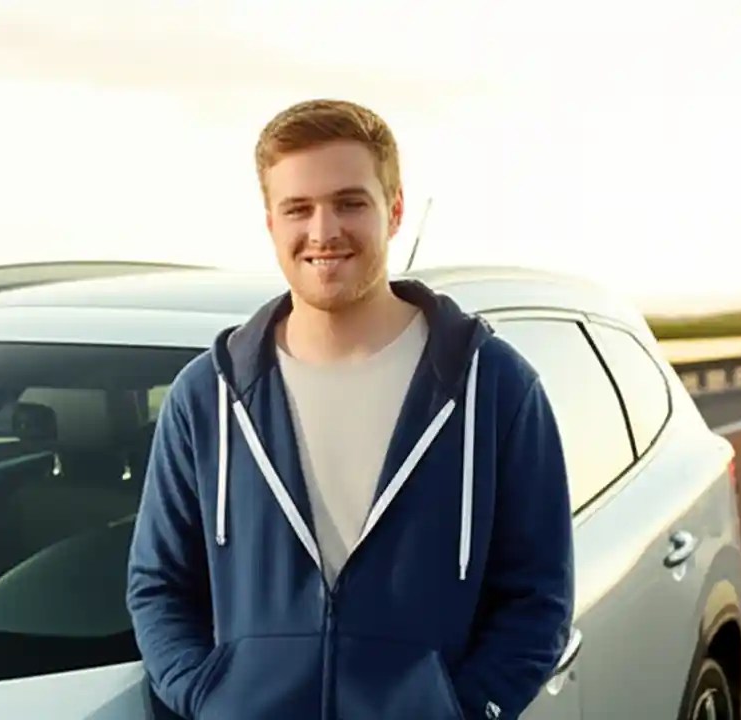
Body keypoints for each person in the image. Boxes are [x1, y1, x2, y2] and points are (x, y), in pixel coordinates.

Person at [126, 98, 574, 720]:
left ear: (394, 210)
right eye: (298, 209)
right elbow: (159, 585)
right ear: (271, 223)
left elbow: (538, 598)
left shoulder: (495, 388)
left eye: (349, 203)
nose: (323, 231)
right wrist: (209, 697)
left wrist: (460, 709)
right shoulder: (206, 398)